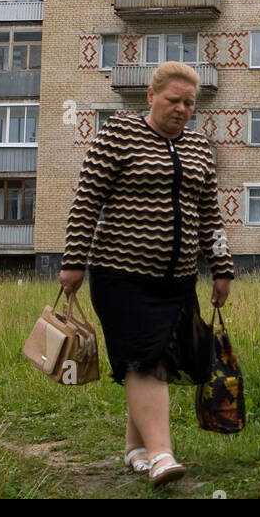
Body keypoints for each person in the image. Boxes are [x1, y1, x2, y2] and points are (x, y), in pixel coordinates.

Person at [59, 61, 234, 486]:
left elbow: (211, 214)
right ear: (151, 96)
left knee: (161, 359)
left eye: (189, 103)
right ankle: (161, 456)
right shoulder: (118, 135)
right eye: (173, 100)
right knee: (144, 360)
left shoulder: (198, 147)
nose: (181, 109)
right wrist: (73, 260)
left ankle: (136, 448)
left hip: (177, 281)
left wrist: (222, 268)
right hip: (122, 276)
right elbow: (86, 201)